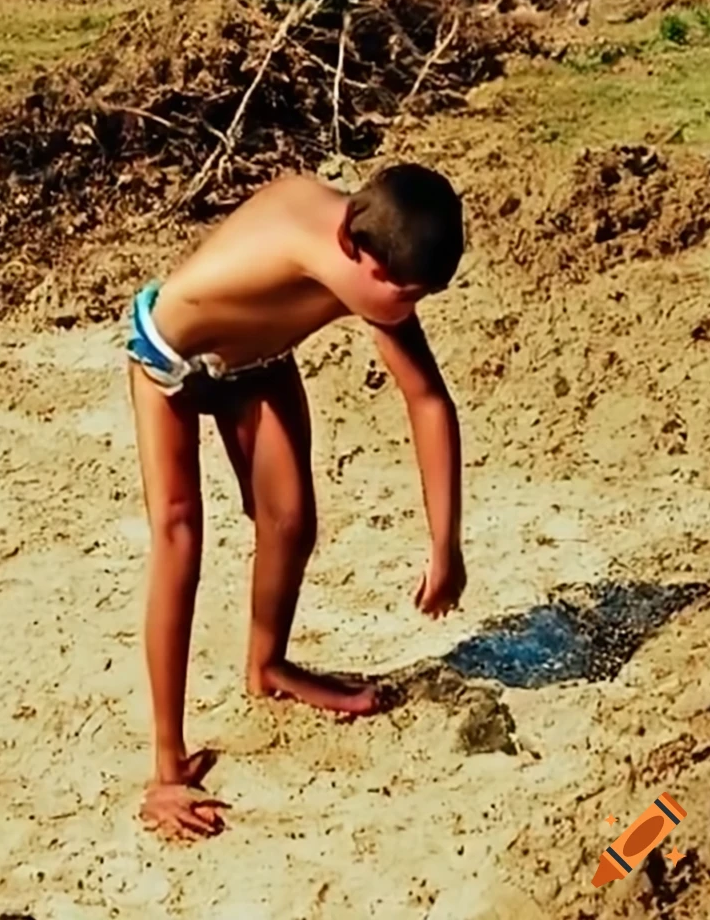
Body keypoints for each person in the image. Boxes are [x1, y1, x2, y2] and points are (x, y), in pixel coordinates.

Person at [126, 163, 468, 841]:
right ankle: (166, 763)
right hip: (171, 356)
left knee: (289, 521)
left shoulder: (371, 251)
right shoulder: (308, 249)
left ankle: (269, 665)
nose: (405, 310)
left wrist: (445, 545)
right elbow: (276, 208)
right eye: (399, 292)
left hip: (259, 359)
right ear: (350, 249)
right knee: (179, 536)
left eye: (420, 296)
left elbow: (429, 400)